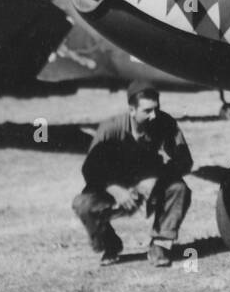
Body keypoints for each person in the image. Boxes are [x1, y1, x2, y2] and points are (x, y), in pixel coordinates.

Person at [73, 80, 193, 268]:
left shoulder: (165, 123)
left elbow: (184, 161)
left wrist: (157, 178)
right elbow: (90, 167)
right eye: (147, 111)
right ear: (131, 110)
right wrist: (114, 189)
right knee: (83, 205)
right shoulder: (110, 129)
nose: (153, 116)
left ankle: (160, 244)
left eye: (156, 109)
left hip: (149, 181)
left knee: (179, 189)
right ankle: (109, 244)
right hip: (114, 184)